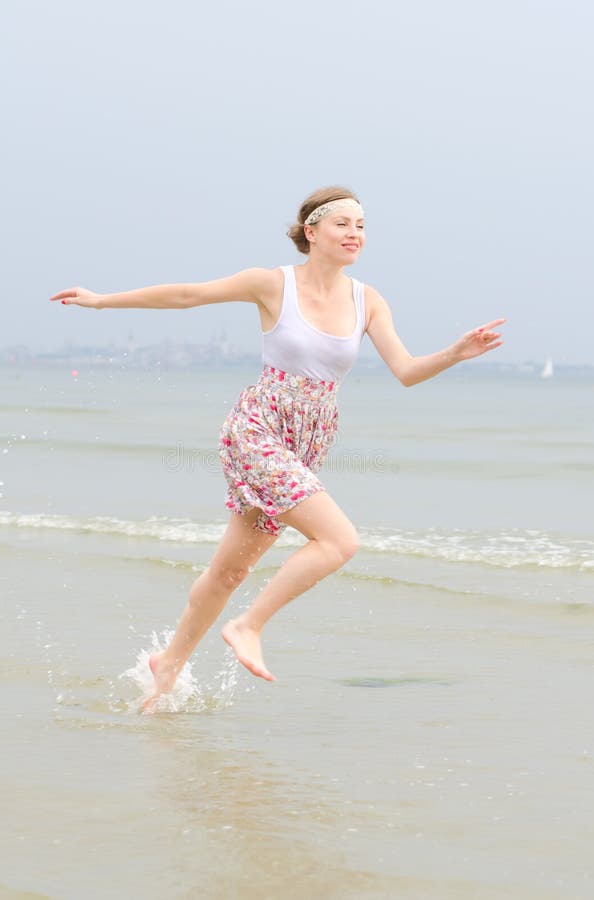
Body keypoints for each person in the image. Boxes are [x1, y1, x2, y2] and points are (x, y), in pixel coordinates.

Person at [50, 185, 505, 707]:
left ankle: (168, 664)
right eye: (343, 224)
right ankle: (248, 625)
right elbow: (187, 295)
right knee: (339, 541)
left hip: (306, 442)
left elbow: (405, 371)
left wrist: (456, 352)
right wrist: (102, 300)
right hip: (258, 429)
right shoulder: (272, 284)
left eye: (361, 225)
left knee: (231, 570)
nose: (355, 233)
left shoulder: (367, 300)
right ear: (311, 232)